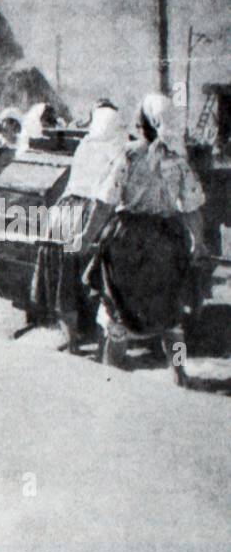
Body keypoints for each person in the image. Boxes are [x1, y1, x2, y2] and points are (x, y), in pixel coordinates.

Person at [79, 94, 207, 385]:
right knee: (172, 317)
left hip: (128, 242)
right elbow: (192, 208)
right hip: (166, 243)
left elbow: (105, 203)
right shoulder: (178, 161)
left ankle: (111, 375)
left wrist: (87, 237)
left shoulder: (128, 155)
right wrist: (198, 242)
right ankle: (179, 373)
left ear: (142, 124)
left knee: (117, 313)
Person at [29, 101, 126, 353]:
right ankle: (103, 339)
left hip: (64, 212)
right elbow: (107, 196)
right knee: (95, 279)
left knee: (63, 279)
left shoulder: (85, 145)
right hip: (88, 214)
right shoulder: (118, 150)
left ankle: (71, 339)